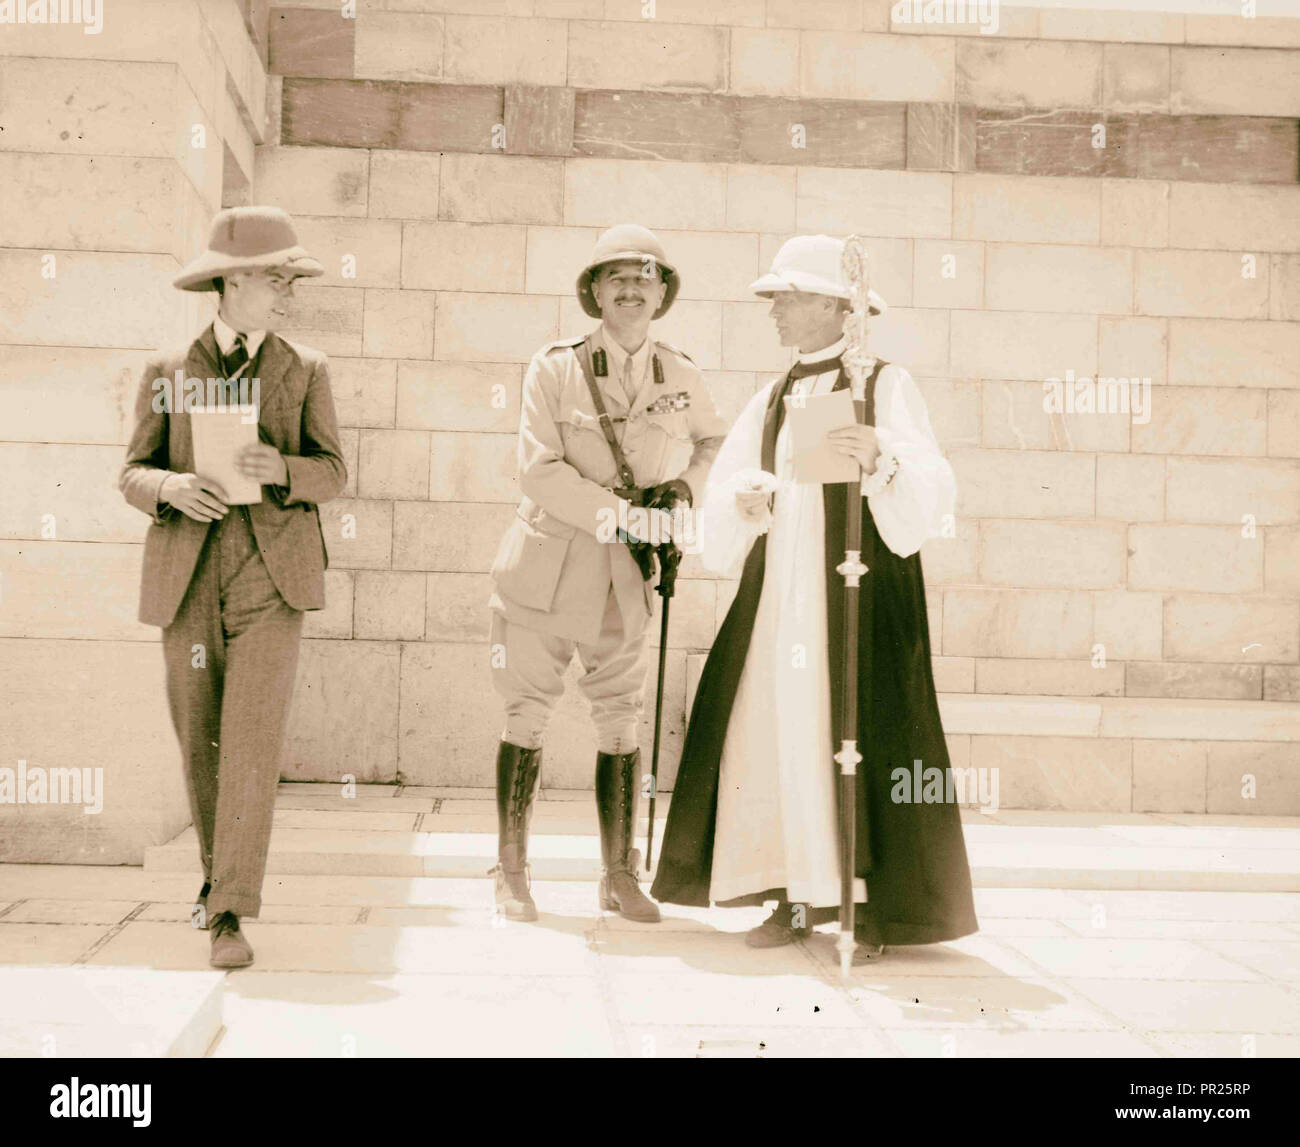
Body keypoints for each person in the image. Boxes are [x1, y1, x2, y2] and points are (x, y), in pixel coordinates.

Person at [650, 234, 978, 959]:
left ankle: (871, 903)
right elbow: (731, 484)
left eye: (789, 297)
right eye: (775, 298)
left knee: (855, 729)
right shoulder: (771, 397)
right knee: (773, 732)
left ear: (836, 308)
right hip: (781, 598)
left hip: (857, 592)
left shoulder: (883, 385)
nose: (775, 311)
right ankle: (791, 891)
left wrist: (883, 458)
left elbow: (932, 483)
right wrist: (744, 499)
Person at [119, 206, 346, 969]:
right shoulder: (166, 370)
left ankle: (229, 912)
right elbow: (131, 472)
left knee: (250, 741)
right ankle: (218, 880)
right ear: (231, 281)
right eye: (275, 275)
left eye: (289, 277)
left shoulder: (306, 368)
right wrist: (171, 486)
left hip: (272, 580)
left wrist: (283, 469)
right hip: (186, 578)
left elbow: (335, 472)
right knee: (201, 739)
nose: (286, 289)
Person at [487, 223, 728, 924]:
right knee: (526, 712)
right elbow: (537, 468)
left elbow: (715, 441)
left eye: (645, 278)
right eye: (615, 278)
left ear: (663, 294)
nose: (631, 289)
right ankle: (511, 871)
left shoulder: (680, 374)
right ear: (594, 291)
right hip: (547, 565)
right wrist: (622, 514)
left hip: (628, 574)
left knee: (621, 718)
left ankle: (619, 874)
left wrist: (686, 489)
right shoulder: (555, 367)